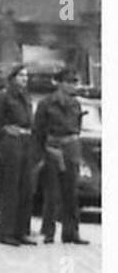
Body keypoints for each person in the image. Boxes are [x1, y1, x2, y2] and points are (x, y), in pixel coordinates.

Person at [33, 67, 89, 245]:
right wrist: (42, 152)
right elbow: (38, 130)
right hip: (53, 148)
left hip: (71, 148)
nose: (73, 86)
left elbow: (77, 128)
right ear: (60, 83)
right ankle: (48, 232)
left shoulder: (76, 104)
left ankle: (71, 233)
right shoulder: (46, 103)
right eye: (69, 82)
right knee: (51, 194)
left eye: (75, 82)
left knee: (71, 193)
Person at [0, 63, 38, 247]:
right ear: (12, 78)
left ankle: (21, 231)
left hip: (26, 142)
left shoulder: (25, 97)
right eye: (21, 76)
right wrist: (5, 134)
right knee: (11, 189)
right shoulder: (4, 97)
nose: (25, 79)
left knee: (26, 188)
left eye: (26, 76)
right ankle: (7, 232)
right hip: (11, 144)